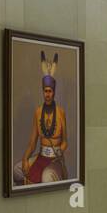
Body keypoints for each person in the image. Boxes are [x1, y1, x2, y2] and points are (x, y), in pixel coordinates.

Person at [19, 51, 68, 185]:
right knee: (16, 170)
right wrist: (24, 158)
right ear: (43, 92)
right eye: (45, 91)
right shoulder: (38, 112)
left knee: (46, 177)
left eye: (50, 91)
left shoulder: (60, 112)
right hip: (41, 156)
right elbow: (32, 142)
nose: (47, 94)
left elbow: (65, 142)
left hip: (55, 159)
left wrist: (59, 151)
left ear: (54, 92)